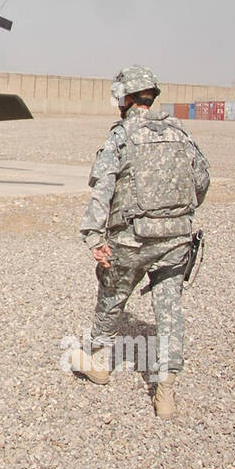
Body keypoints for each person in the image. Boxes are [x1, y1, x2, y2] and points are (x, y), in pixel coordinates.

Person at [69, 66, 209, 419]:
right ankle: (166, 390)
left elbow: (103, 188)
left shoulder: (121, 135)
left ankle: (98, 362)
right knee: (170, 311)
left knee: (112, 297)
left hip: (133, 240)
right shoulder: (181, 132)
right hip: (176, 239)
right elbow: (202, 180)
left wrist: (93, 237)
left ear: (126, 98)